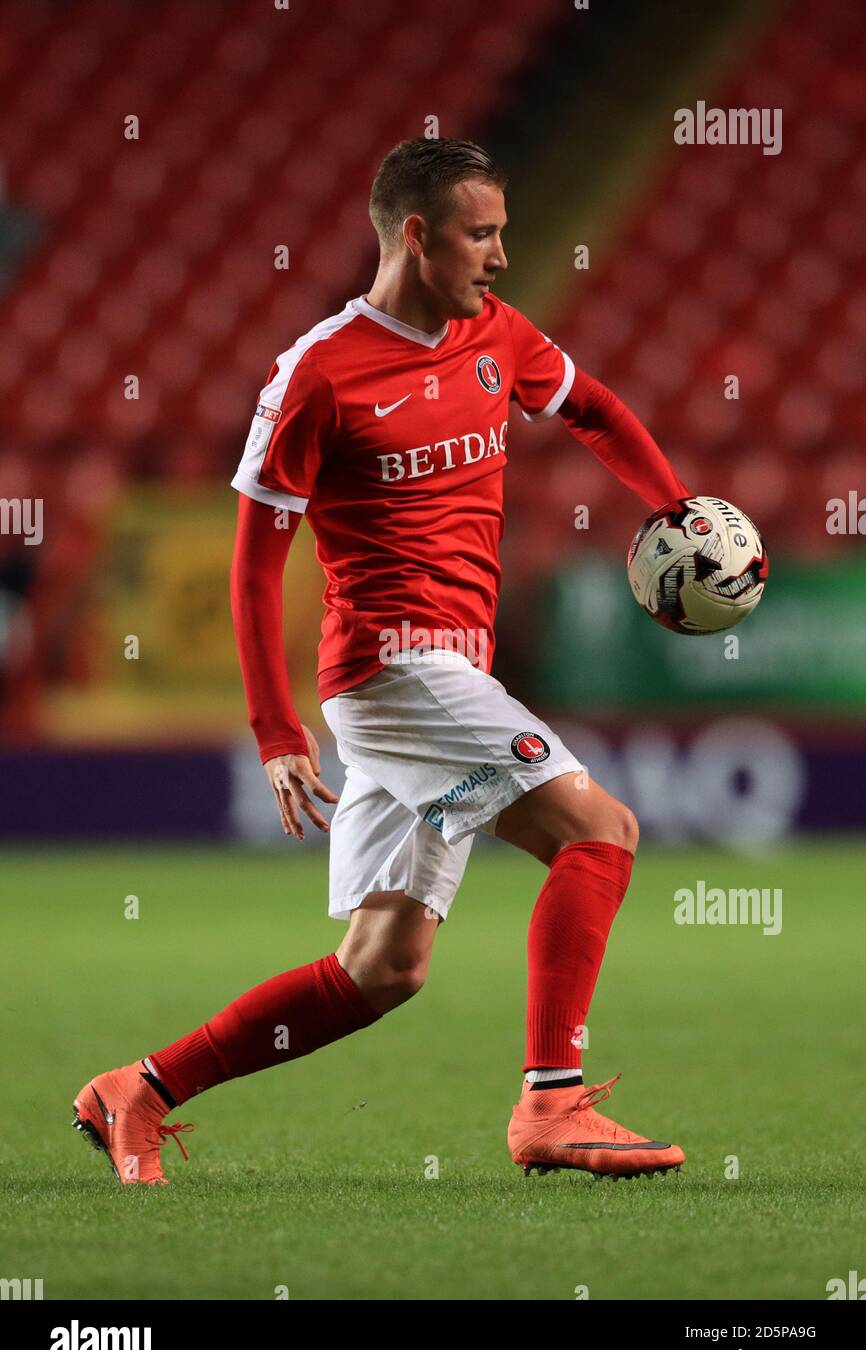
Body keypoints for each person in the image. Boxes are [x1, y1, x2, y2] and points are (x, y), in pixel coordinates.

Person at [73, 138, 687, 1185]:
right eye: (480, 234)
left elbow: (588, 405)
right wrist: (274, 728)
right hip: (394, 669)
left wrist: (671, 507)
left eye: (501, 233)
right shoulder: (318, 374)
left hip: (451, 669)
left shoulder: (493, 335)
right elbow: (254, 569)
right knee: (602, 828)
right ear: (417, 235)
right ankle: (552, 1101)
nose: (499, 257)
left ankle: (138, 1086)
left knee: (382, 969)